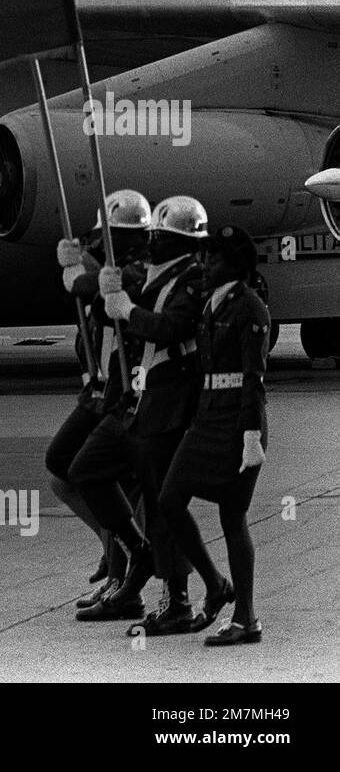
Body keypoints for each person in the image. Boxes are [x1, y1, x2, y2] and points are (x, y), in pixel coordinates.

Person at [99, 196, 208, 634]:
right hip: (146, 401)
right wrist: (93, 277)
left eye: (162, 237)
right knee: (100, 474)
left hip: (171, 405)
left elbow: (169, 329)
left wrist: (126, 309)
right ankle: (145, 570)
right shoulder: (162, 274)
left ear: (183, 242)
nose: (153, 242)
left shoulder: (192, 281)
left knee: (164, 505)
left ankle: (178, 598)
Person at [159, 225, 271, 646]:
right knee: (170, 498)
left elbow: (253, 379)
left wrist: (250, 435)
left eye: (215, 258)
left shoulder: (249, 307)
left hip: (235, 424)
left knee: (232, 515)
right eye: (205, 257)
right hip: (206, 422)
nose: (205, 265)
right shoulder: (210, 305)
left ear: (235, 265)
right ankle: (215, 582)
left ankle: (246, 618)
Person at [50, 191, 151, 607]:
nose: (99, 243)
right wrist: (77, 261)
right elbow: (92, 290)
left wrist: (81, 275)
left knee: (100, 479)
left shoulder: (142, 270)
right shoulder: (113, 268)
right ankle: (118, 552)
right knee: (65, 473)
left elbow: (104, 291)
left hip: (131, 395)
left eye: (108, 237)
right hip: (100, 392)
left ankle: (128, 563)